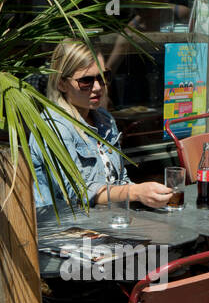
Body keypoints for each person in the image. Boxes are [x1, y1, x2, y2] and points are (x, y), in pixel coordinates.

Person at [29, 38, 172, 211]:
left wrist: (147, 195)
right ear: (62, 83)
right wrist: (135, 192)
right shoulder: (54, 126)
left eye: (103, 77)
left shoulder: (103, 118)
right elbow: (78, 193)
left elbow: (119, 179)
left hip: (109, 220)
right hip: (70, 229)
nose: (97, 87)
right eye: (86, 81)